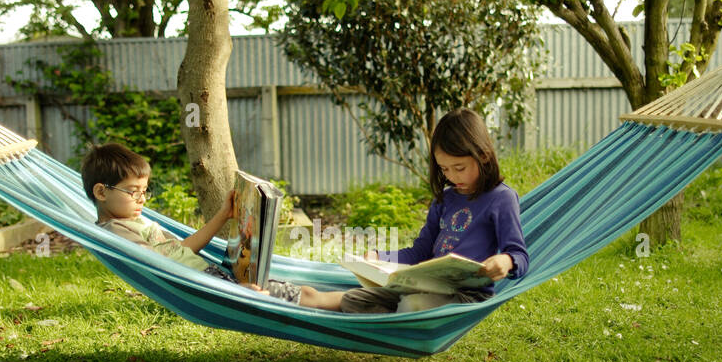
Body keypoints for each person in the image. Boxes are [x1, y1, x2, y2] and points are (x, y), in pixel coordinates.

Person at [311, 107, 529, 313]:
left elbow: (519, 254)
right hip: (428, 286)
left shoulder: (501, 198)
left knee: (413, 304)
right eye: (444, 169)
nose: (452, 176)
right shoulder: (445, 199)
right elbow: (420, 251)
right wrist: (380, 256)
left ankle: (399, 321)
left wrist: (506, 261)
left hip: (468, 296)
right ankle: (310, 298)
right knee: (357, 299)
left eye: (459, 168)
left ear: (483, 155)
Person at [81, 143, 333, 307]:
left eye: (145, 190)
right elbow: (165, 266)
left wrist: (224, 215)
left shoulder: (132, 220)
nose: (142, 198)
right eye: (133, 191)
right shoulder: (116, 231)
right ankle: (367, 309)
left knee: (299, 290)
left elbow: (180, 250)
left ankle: (360, 302)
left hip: (212, 278)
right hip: (207, 286)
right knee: (303, 296)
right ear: (101, 192)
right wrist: (237, 293)